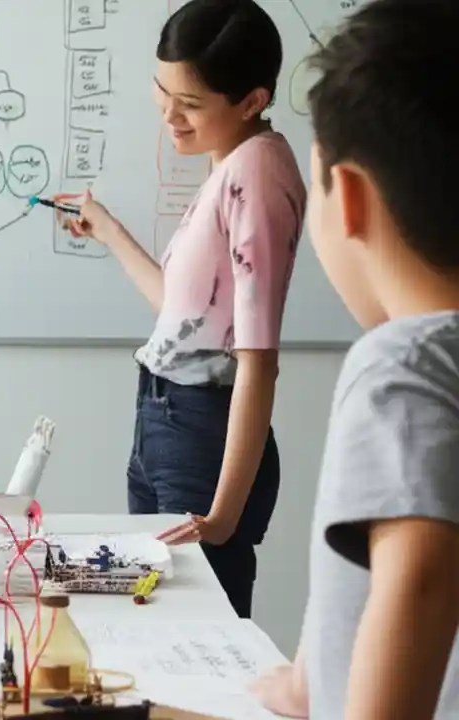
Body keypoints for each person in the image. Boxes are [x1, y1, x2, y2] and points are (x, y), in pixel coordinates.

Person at [55, 0, 305, 619]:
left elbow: (257, 361)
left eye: (189, 104)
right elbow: (183, 314)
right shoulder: (232, 162)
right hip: (167, 420)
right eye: (162, 91)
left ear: (251, 100)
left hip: (200, 433)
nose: (169, 115)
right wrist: (110, 231)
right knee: (157, 625)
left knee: (197, 636)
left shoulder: (256, 176)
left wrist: (222, 515)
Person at [250, 1, 459, 717]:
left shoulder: (408, 361)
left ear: (352, 204)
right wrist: (303, 685)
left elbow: (420, 576)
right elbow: (356, 590)